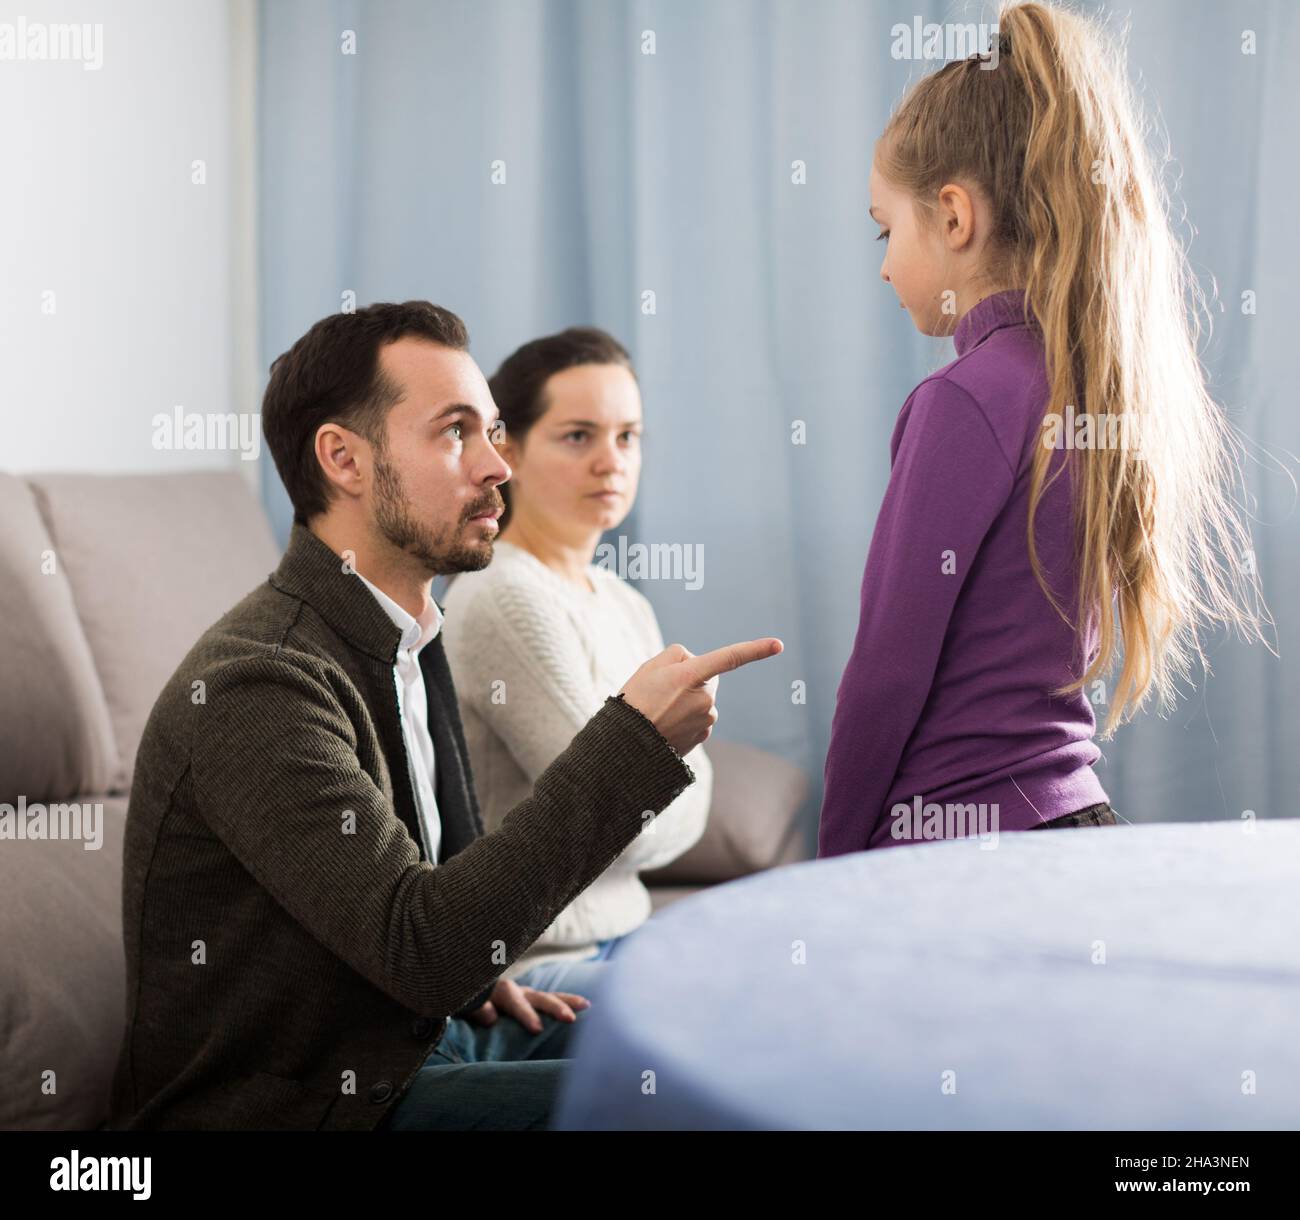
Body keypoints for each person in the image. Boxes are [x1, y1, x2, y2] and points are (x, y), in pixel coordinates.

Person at [107, 300, 781, 1130]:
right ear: (344, 459)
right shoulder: (260, 684)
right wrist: (633, 743)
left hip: (419, 1040)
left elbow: (426, 921)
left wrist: (477, 983)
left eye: (493, 431)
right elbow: (419, 948)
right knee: (689, 1105)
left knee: (735, 1046)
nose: (498, 465)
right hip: (303, 1103)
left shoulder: (409, 637)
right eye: (457, 432)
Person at [819, 2, 1269, 856]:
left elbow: (885, 674)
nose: (881, 265)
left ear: (954, 216)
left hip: (964, 846)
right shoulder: (1090, 388)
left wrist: (828, 872)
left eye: (886, 229)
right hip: (1071, 822)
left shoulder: (962, 399)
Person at [441, 327, 713, 978]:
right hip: (538, 965)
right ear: (507, 449)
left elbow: (672, 811)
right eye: (578, 436)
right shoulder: (504, 596)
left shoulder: (623, 601)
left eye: (627, 436)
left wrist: (662, 784)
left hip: (624, 936)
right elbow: (622, 821)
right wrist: (673, 775)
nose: (610, 461)